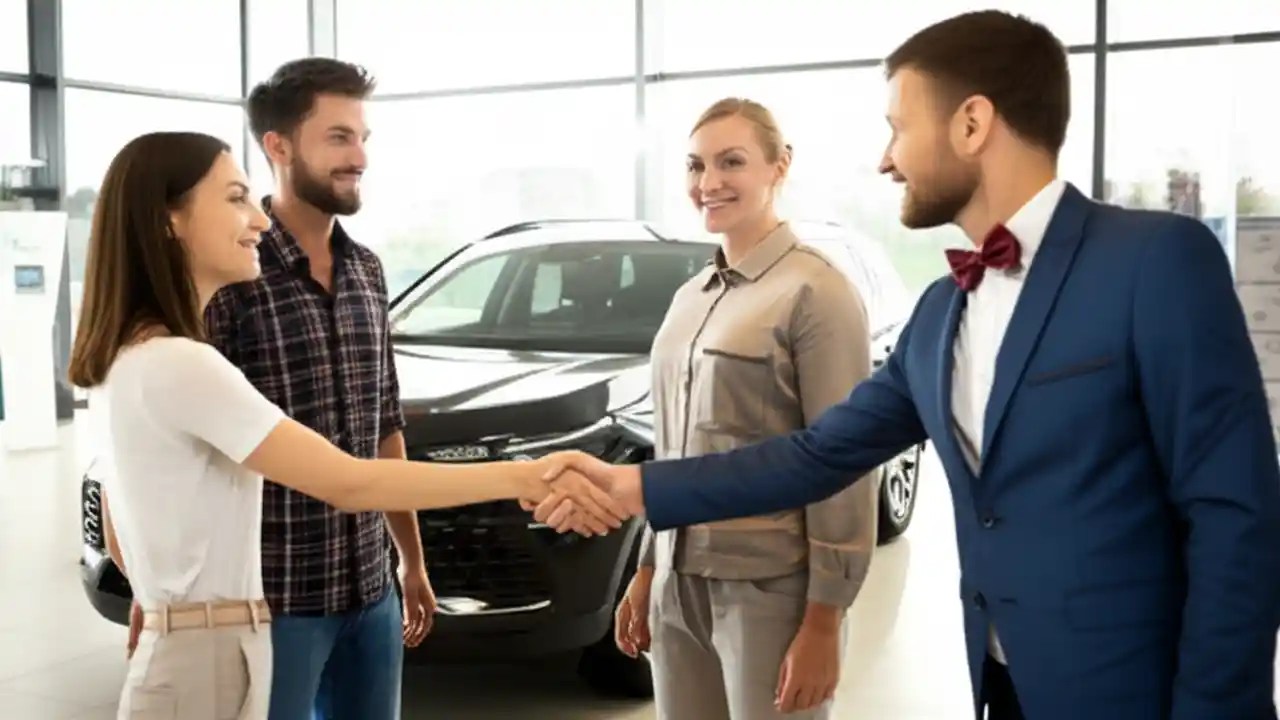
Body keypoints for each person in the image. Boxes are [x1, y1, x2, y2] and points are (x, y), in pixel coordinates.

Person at [535, 10, 1280, 720]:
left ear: (971, 123)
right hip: (1001, 683)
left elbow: (1236, 519)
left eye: (898, 127)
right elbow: (816, 455)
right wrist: (633, 485)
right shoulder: (938, 313)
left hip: (1132, 691)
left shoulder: (1154, 264)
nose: (886, 158)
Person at [67, 131, 620, 719]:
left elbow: (115, 505)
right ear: (167, 221)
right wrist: (526, 478)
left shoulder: (130, 353)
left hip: (192, 645)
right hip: (207, 656)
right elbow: (350, 482)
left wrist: (162, 596)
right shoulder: (183, 363)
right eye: (234, 198)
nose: (258, 219)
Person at [623, 97, 878, 719]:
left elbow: (844, 464)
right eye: (695, 166)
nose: (708, 183)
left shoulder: (817, 292)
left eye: (730, 162)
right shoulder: (689, 297)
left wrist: (824, 620)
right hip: (676, 586)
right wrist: (646, 569)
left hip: (769, 591)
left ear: (778, 166)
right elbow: (673, 449)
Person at [201, 57, 415, 720]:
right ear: (278, 146)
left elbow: (386, 425)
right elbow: (191, 452)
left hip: (372, 590)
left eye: (362, 139)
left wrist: (413, 562)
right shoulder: (232, 275)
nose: (359, 158)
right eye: (339, 138)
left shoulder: (368, 271)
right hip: (275, 600)